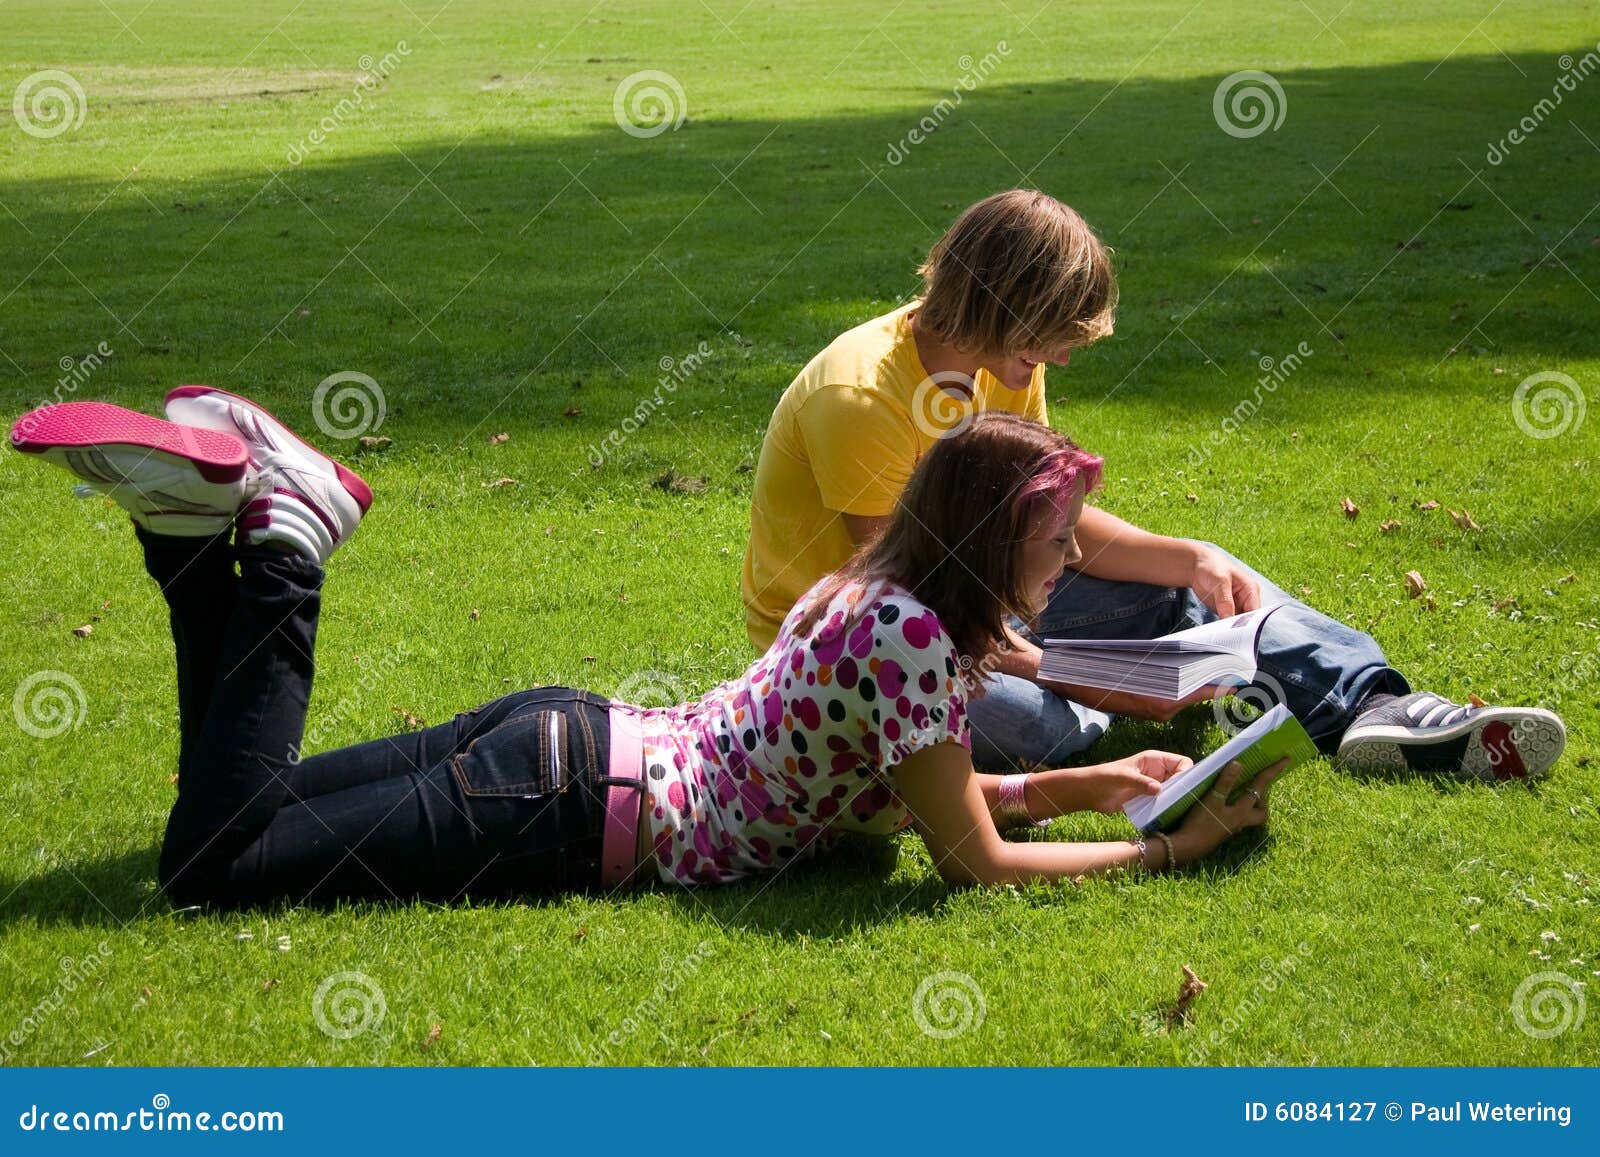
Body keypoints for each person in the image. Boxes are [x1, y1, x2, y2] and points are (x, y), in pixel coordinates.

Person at [14, 396, 1281, 905]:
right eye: (1057, 540)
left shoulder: (880, 595)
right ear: (994, 538)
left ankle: (190, 538)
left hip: (561, 742)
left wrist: (1085, 781)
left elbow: (914, 801)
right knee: (212, 867)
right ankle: (286, 543)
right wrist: (1166, 844)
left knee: (237, 820)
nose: (1069, 561)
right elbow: (974, 861)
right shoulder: (909, 645)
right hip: (563, 804)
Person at [740, 189, 1567, 779]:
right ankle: (1110, 704)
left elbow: (1051, 525)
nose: (1058, 358)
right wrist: (1077, 674)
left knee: (1206, 592)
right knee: (1041, 725)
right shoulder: (861, 396)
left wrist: (1190, 556)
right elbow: (904, 605)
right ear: (998, 303)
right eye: (1048, 338)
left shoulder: (1004, 363)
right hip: (861, 649)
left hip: (992, 591)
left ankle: (1384, 709)